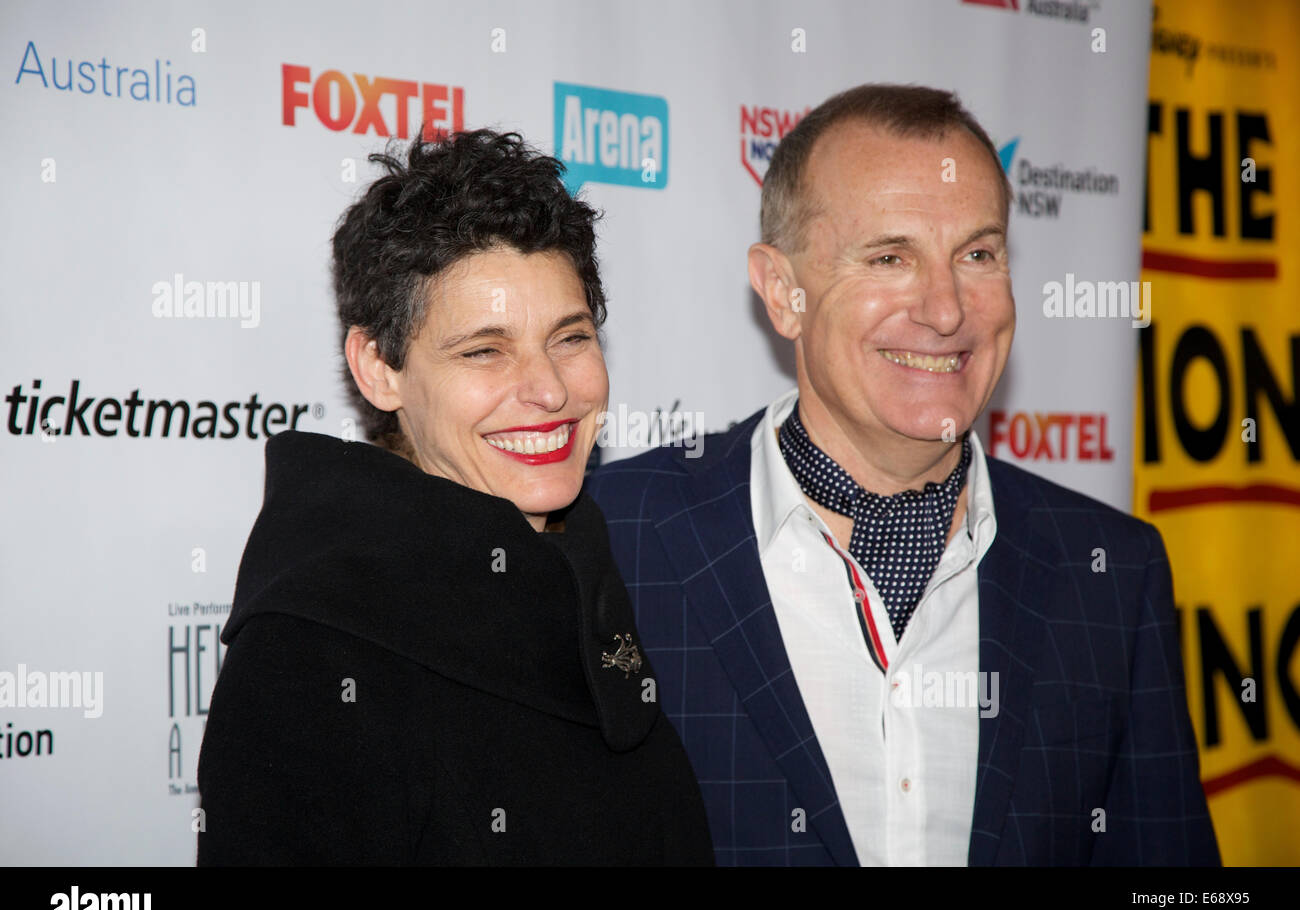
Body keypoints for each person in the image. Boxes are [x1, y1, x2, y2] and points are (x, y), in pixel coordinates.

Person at [585, 84, 1220, 866]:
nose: (947, 309)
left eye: (978, 254)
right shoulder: (613, 539)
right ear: (784, 292)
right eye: (890, 257)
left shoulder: (1111, 570)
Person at [196, 129, 713, 865]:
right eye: (484, 350)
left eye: (569, 338)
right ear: (379, 369)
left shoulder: (590, 583)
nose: (551, 391)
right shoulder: (313, 660)